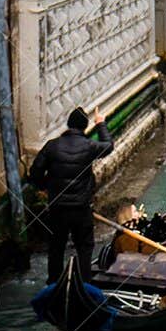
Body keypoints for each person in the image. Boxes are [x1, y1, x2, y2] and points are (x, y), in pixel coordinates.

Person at [30, 107, 113, 285]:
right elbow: (108, 146)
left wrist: (47, 187)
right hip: (81, 208)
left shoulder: (52, 146)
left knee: (56, 248)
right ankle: (84, 283)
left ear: (68, 125)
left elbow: (34, 173)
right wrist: (100, 123)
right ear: (84, 127)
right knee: (84, 246)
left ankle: (53, 284)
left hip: (57, 208)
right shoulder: (89, 146)